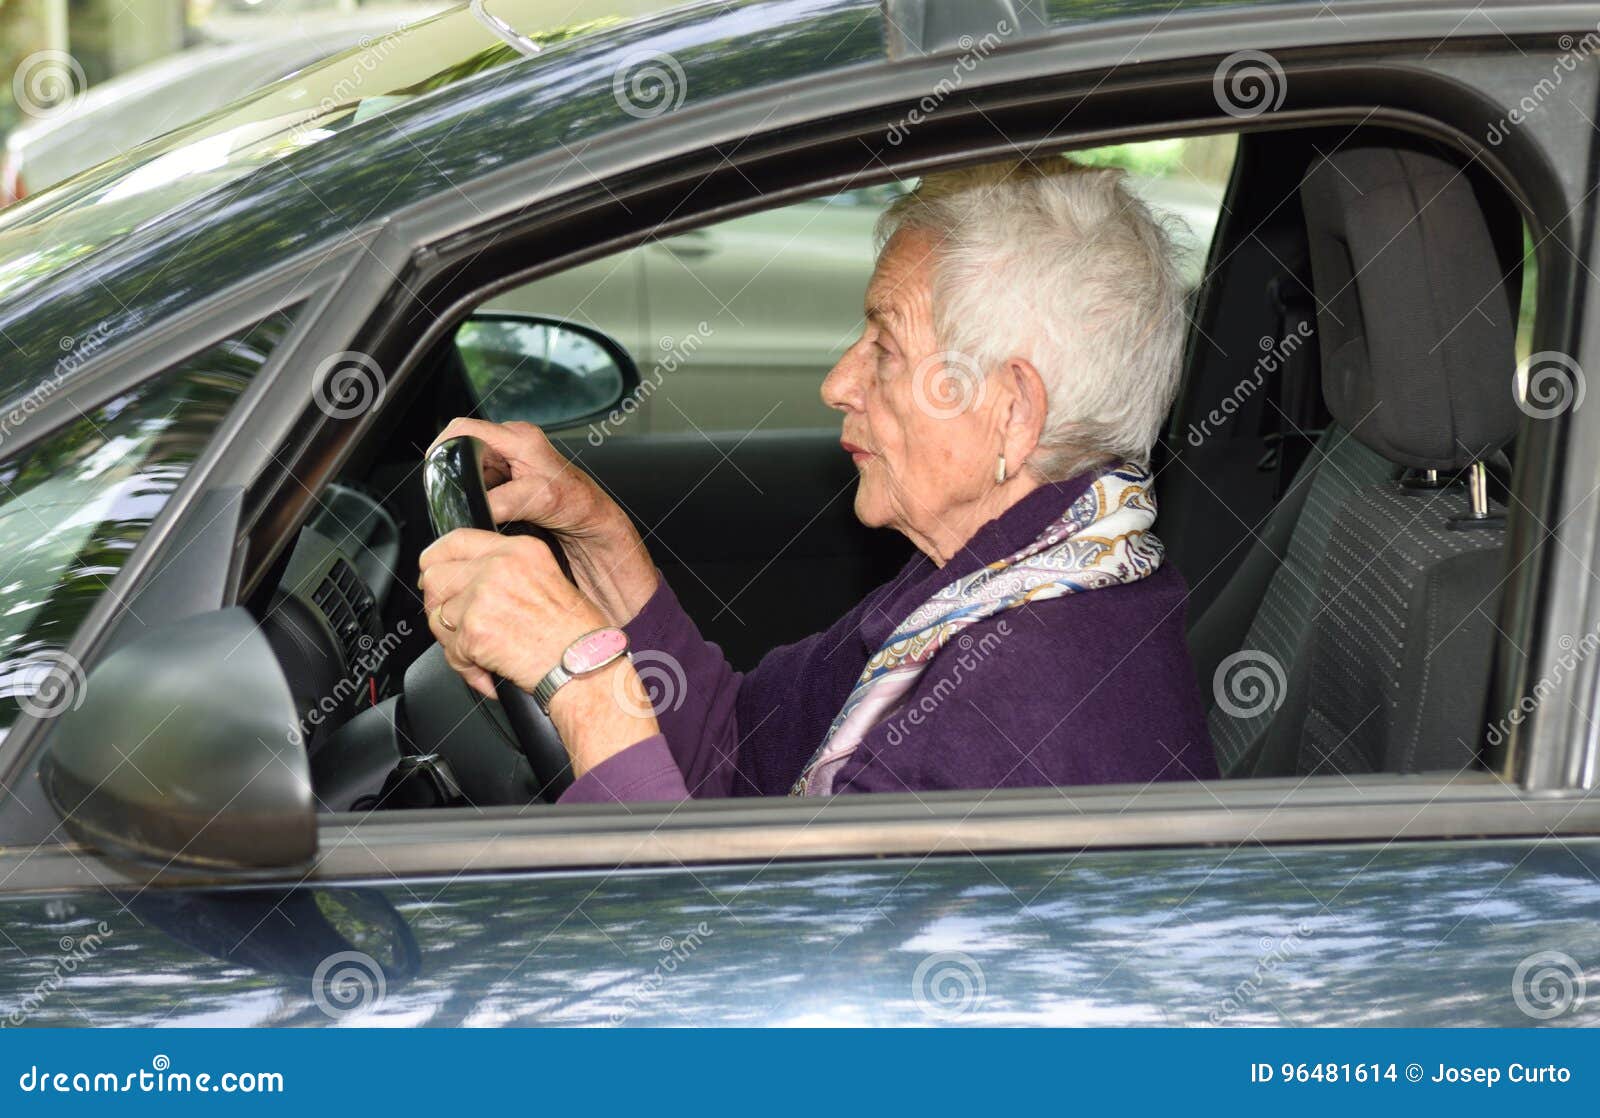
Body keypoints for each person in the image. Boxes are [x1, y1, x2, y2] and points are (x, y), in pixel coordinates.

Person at [418, 157, 1216, 802]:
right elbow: (741, 751)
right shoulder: (995, 583)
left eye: (885, 348)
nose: (838, 383)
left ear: (1009, 410)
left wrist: (580, 680)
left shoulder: (1014, 721)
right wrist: (595, 533)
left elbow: (711, 970)